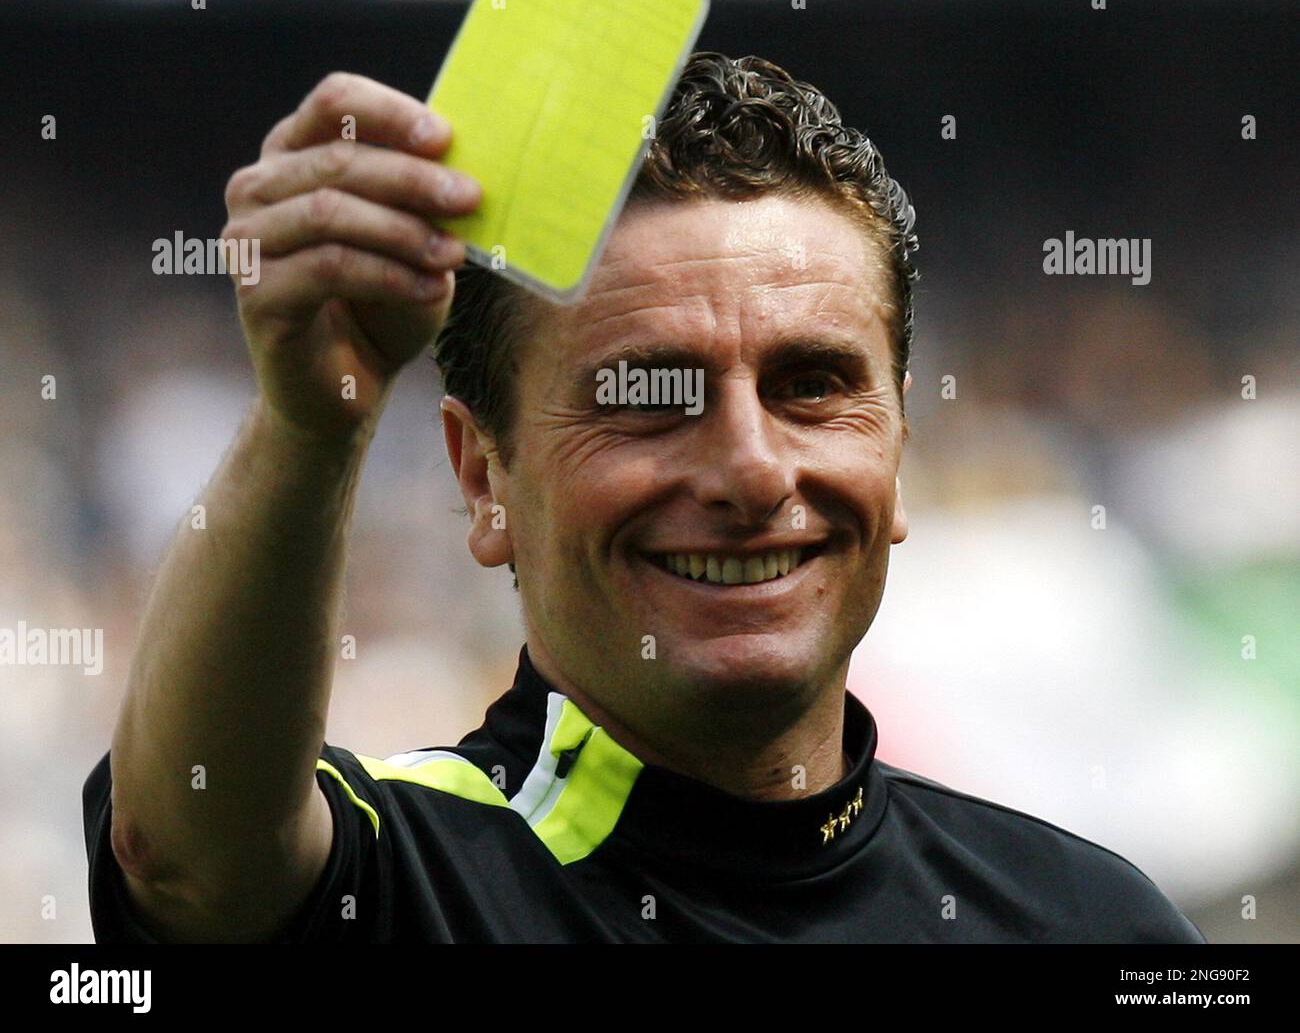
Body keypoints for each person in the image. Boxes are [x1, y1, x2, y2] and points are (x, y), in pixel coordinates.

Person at [82, 53, 1206, 943]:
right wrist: (308, 421)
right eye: (649, 398)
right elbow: (185, 856)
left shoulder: (1092, 921)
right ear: (484, 479)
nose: (753, 470)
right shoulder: (396, 881)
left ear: (900, 449)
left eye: (811, 386)